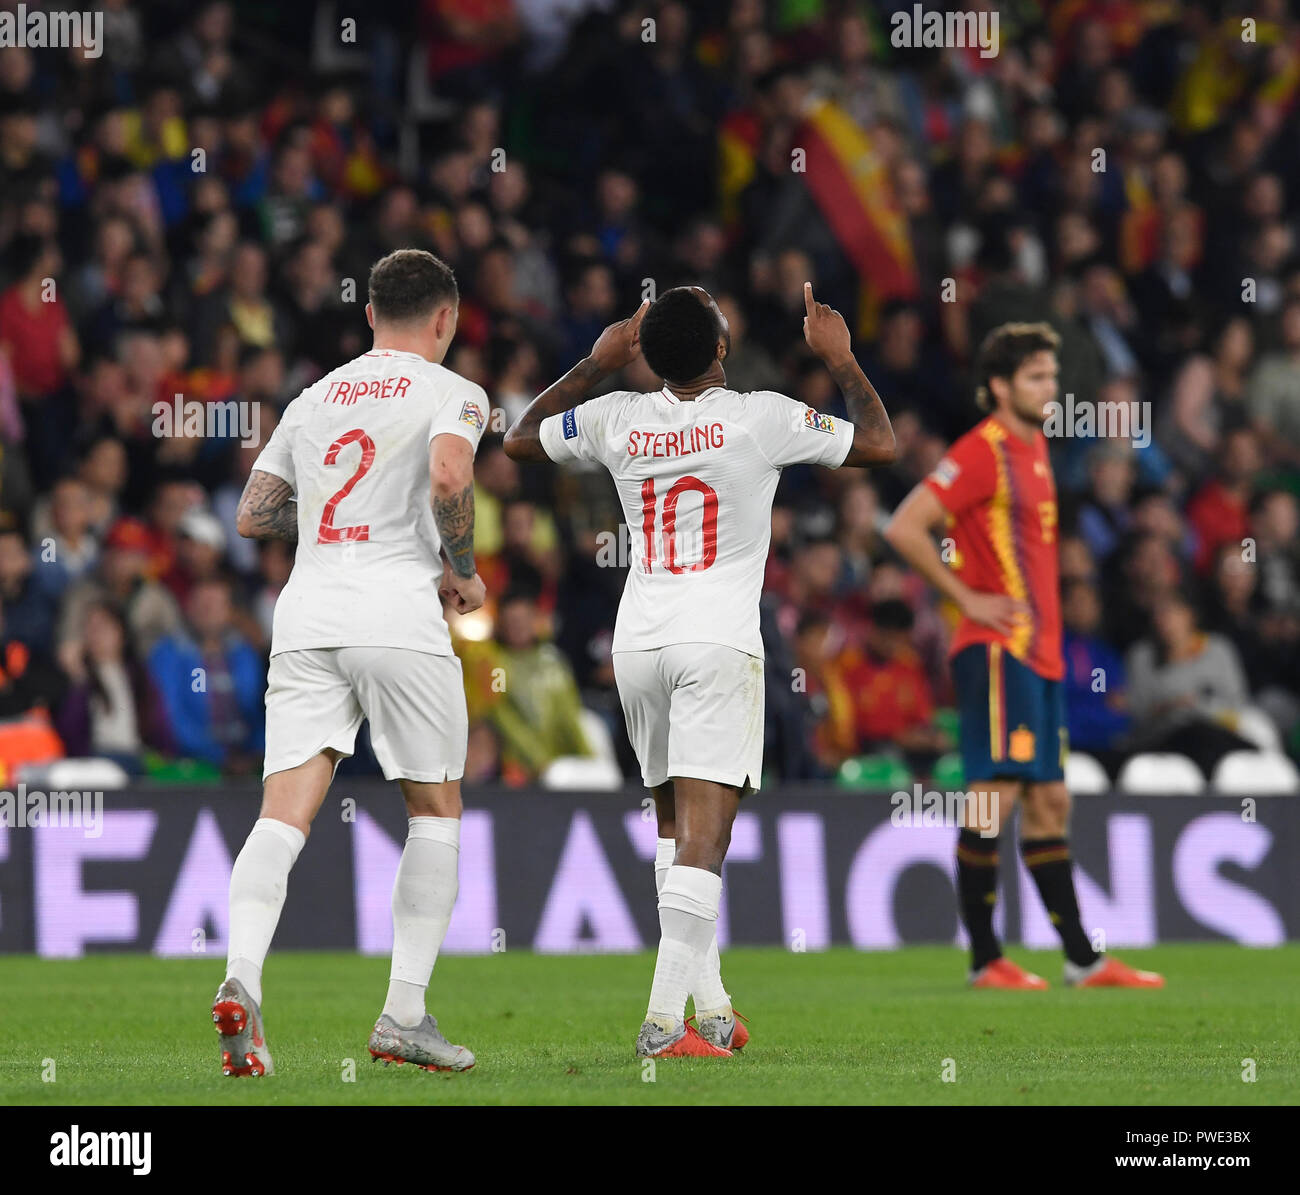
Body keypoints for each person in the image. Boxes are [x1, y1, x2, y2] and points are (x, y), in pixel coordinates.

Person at [504, 281, 896, 1057]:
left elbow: (519, 438)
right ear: (721, 349)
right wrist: (843, 360)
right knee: (706, 842)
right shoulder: (763, 416)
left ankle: (711, 1007)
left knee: (673, 825)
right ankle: (660, 1023)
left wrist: (593, 362)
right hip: (716, 640)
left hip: (639, 643)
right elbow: (879, 445)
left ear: (646, 358)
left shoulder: (617, 417)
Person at [212, 248, 490, 1078]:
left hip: (307, 614)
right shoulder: (454, 391)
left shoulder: (314, 395)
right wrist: (465, 568)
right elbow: (449, 474)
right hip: (397, 614)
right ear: (445, 318)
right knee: (434, 808)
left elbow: (254, 517)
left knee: (281, 813)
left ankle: (241, 976)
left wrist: (342, 511)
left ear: (371, 314)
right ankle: (404, 1011)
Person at [885, 322, 1164, 991]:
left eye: (1052, 374)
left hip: (1039, 658)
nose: (1051, 386)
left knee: (1051, 800)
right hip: (997, 651)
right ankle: (985, 958)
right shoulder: (982, 450)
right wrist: (966, 599)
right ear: (1000, 386)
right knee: (993, 796)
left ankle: (1082, 958)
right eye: (1037, 376)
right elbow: (904, 525)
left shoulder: (1035, 446)